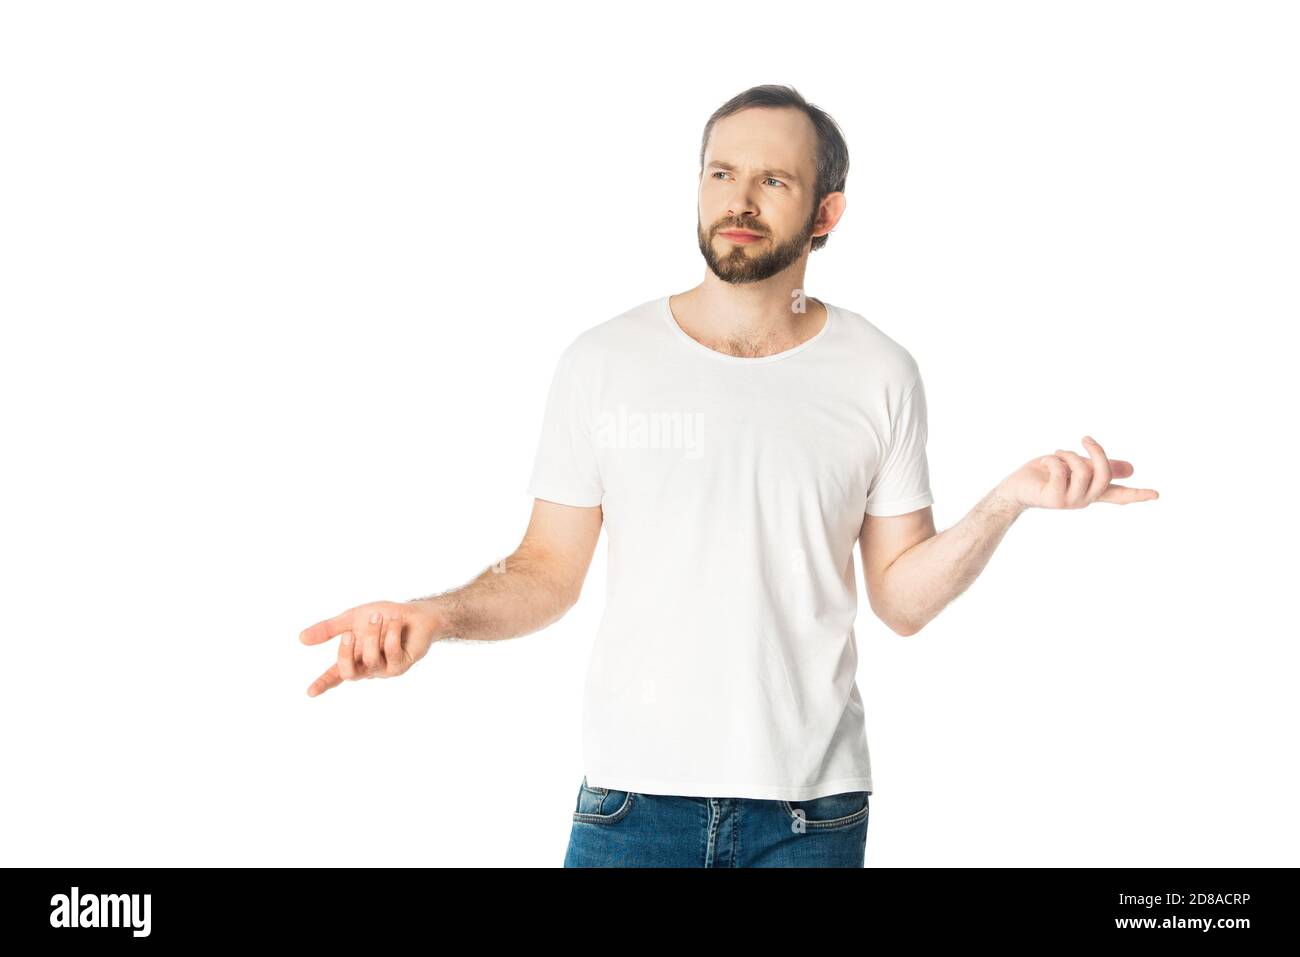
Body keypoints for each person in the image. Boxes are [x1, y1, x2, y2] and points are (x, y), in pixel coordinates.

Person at [298, 84, 1160, 868]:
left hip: (811, 817)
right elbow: (546, 572)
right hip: (631, 805)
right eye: (721, 173)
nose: (739, 201)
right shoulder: (603, 363)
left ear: (827, 211)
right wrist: (433, 617)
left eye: (774, 182)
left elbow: (900, 598)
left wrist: (1006, 503)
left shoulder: (879, 372)